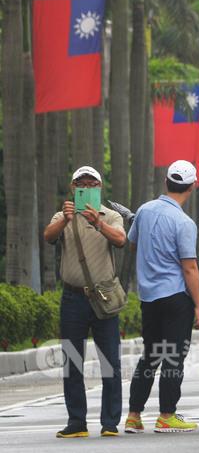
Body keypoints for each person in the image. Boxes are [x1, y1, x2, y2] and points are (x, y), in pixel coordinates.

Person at [44, 166, 127, 438]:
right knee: (72, 361)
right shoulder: (64, 215)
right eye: (81, 184)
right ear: (73, 188)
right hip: (73, 297)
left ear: (100, 188)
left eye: (92, 184)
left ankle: (110, 422)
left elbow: (121, 240)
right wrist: (66, 220)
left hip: (103, 297)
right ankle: (77, 422)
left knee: (110, 362)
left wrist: (98, 223)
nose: (87, 188)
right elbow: (48, 236)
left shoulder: (111, 215)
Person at [124, 160, 199, 433]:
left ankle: (134, 415)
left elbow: (133, 243)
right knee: (173, 357)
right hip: (175, 297)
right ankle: (167, 415)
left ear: (166, 182)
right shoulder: (184, 222)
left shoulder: (144, 211)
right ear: (193, 186)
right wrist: (198, 305)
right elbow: (189, 267)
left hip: (148, 297)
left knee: (150, 355)